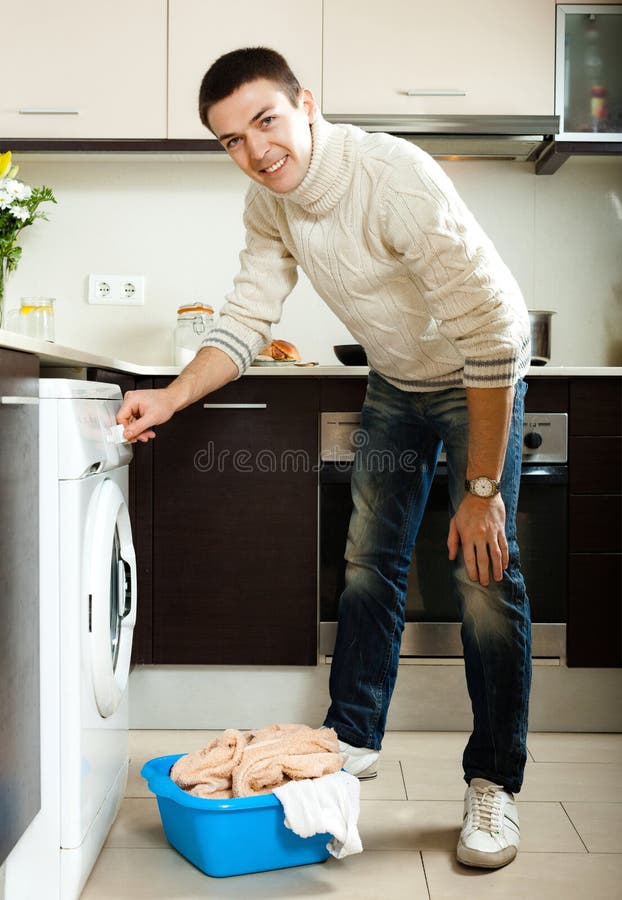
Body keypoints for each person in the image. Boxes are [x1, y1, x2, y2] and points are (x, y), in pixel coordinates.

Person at [117, 47, 530, 870]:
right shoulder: (267, 203)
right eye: (231, 139)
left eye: (265, 121)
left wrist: (480, 489)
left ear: (307, 103)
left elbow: (490, 336)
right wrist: (167, 396)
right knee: (366, 564)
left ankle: (494, 785)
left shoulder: (392, 177)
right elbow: (245, 317)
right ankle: (350, 738)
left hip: (480, 374)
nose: (256, 150)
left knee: (484, 578)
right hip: (397, 380)